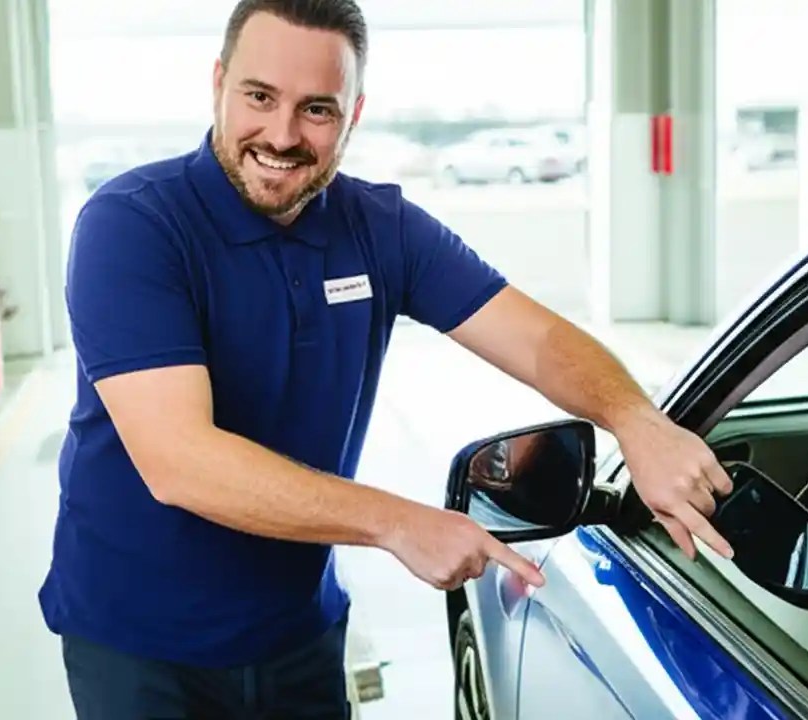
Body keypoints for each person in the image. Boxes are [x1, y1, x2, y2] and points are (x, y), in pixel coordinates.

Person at [38, 0, 735, 717]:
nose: (280, 135)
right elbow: (180, 460)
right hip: (141, 647)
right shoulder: (134, 224)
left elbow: (535, 338)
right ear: (217, 82)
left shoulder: (380, 229)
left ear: (354, 113)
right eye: (258, 97)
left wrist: (635, 418)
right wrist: (398, 522)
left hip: (297, 633)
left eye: (316, 109)